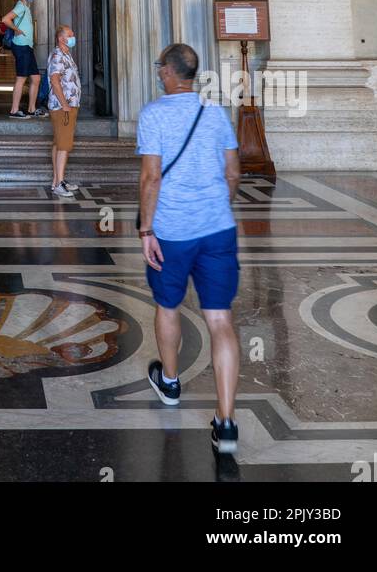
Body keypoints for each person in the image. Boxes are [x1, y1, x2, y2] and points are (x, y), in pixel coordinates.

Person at [137, 42, 242, 455]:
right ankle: (227, 422)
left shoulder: (154, 114)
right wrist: (216, 206)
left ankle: (171, 381)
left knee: (168, 306)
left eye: (159, 66)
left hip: (172, 232)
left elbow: (151, 177)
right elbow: (233, 172)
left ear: (166, 73)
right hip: (218, 229)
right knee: (220, 320)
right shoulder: (216, 114)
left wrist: (147, 229)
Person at [47, 25, 81, 198]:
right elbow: (54, 80)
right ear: (61, 38)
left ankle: (57, 180)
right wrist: (64, 104)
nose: (73, 36)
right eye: (70, 34)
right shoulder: (58, 55)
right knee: (64, 145)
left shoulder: (65, 54)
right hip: (63, 107)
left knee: (59, 142)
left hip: (66, 105)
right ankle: (59, 183)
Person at [1, 0, 43, 119]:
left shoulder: (26, 7)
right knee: (21, 78)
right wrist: (17, 30)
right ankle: (14, 110)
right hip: (21, 46)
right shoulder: (20, 6)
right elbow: (5, 19)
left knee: (36, 78)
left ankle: (31, 108)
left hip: (27, 47)